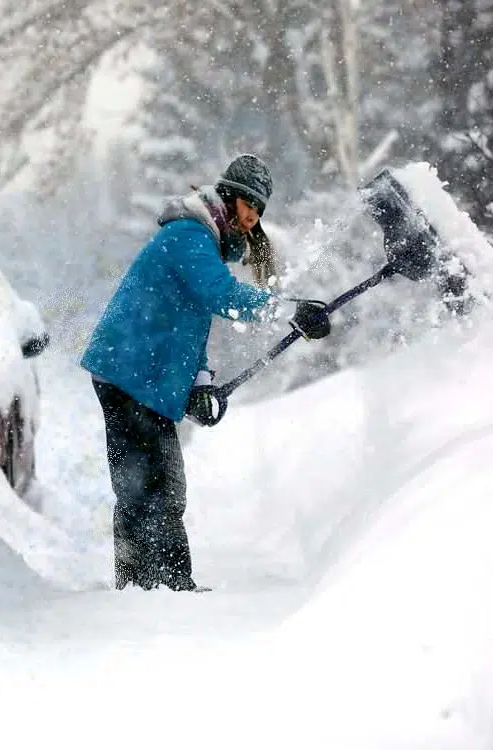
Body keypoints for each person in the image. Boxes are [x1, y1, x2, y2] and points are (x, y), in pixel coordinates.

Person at [80, 154, 331, 591]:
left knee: (146, 483)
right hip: (129, 372)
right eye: (250, 204)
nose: (253, 218)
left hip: (138, 374)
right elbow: (221, 295)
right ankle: (165, 585)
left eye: (260, 210)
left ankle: (140, 582)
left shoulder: (199, 240)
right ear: (230, 197)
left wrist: (200, 382)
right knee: (157, 484)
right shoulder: (188, 235)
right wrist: (287, 312)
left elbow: (189, 327)